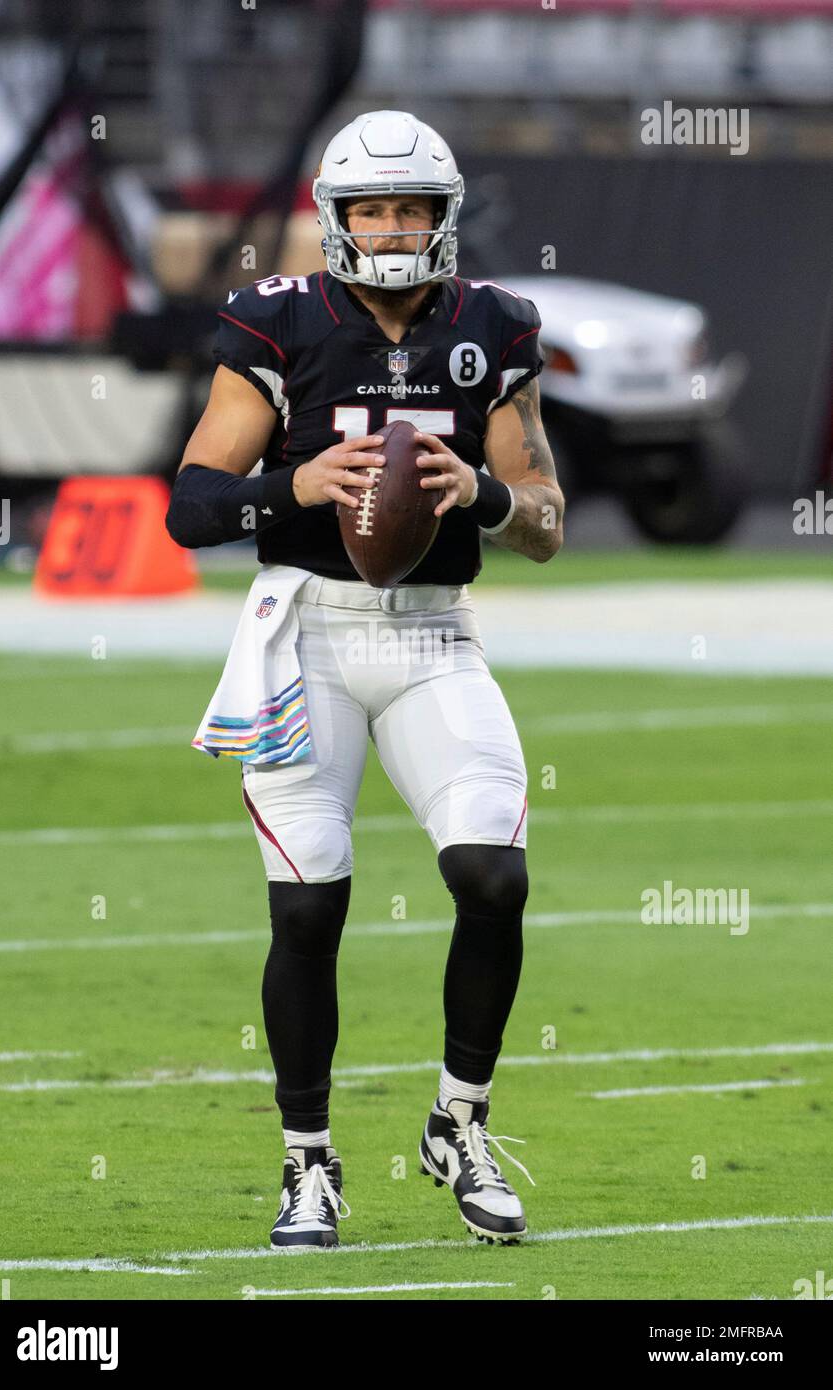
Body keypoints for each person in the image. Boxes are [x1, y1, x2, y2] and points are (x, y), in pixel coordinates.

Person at [165, 110, 564, 1249]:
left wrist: (480, 494)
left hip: (434, 634)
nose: (391, 229)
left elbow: (544, 523)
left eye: (411, 209)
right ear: (337, 219)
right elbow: (189, 505)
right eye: (373, 210)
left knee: (492, 874)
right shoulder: (279, 320)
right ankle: (307, 1161)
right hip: (309, 638)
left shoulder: (494, 325)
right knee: (308, 904)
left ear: (445, 217)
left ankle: (459, 1122)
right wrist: (294, 486)